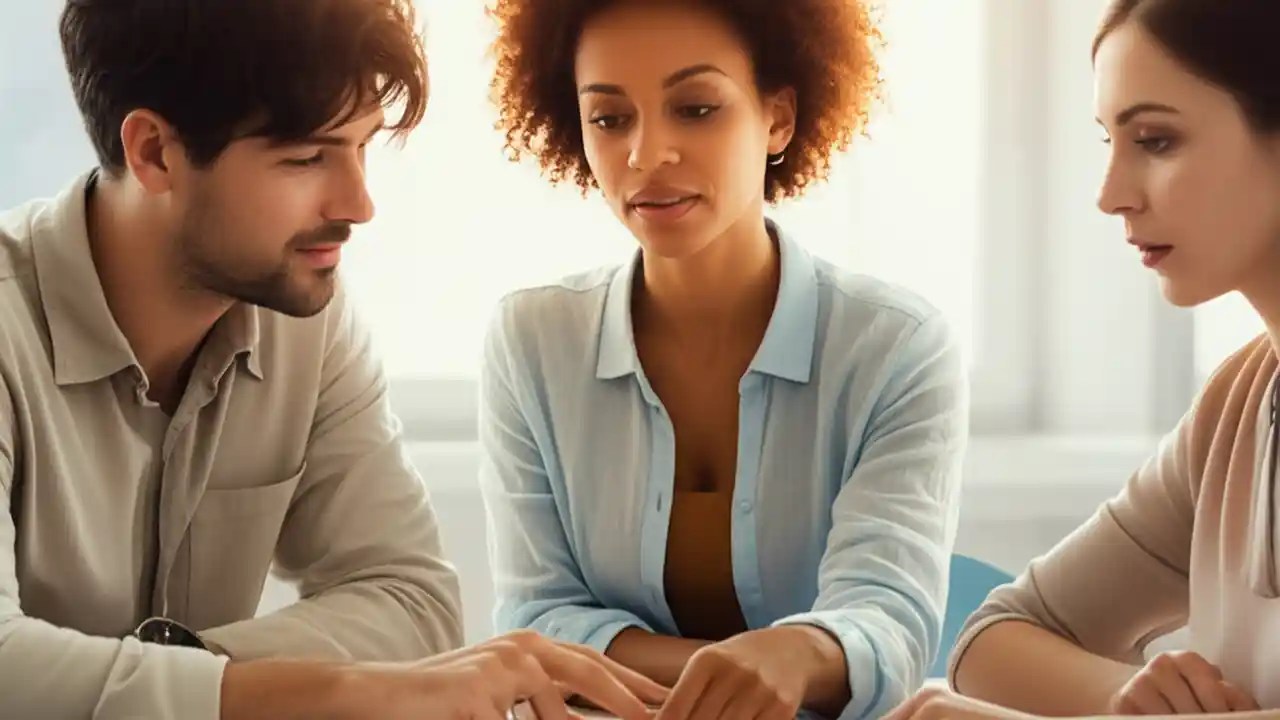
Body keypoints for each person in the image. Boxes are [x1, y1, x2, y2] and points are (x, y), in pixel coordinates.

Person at [0, 1, 666, 718]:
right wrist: (346, 691)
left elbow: (411, 600)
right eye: (307, 158)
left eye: (363, 147)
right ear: (155, 153)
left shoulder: (300, 315)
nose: (359, 202)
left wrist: (176, 673)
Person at [479, 1, 970, 718]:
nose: (646, 155)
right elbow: (535, 617)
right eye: (610, 119)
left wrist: (797, 659)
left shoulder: (895, 348)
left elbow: (887, 625)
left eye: (696, 108)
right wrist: (749, 669)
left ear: (778, 117)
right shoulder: (531, 339)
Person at [890, 1, 1280, 718]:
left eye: (1156, 141)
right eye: (1110, 141)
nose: (1109, 196)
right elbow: (993, 640)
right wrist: (1129, 701)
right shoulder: (1240, 404)